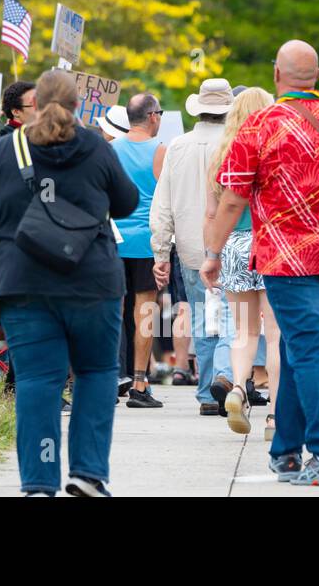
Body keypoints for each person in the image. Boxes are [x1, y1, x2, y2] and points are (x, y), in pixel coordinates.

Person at [206, 40, 319, 487]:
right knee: (298, 349)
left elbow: (231, 201)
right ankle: (285, 451)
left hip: (285, 262)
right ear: (317, 76)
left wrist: (212, 253)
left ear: (276, 75)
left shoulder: (259, 127)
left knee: (306, 352)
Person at [0, 70, 139, 496]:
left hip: (24, 286)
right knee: (96, 372)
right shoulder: (96, 146)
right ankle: (88, 474)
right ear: (79, 105)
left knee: (38, 381)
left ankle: (39, 481)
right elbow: (127, 203)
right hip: (93, 283)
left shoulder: (6, 149)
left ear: (34, 104)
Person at [151, 77, 235, 416]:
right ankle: (226, 377)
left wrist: (160, 253)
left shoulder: (177, 146)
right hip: (232, 242)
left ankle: (205, 392)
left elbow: (163, 205)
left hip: (188, 246)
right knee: (233, 316)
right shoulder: (236, 144)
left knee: (202, 316)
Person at [204, 86, 281, 436]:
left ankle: (237, 387)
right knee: (277, 334)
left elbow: (212, 214)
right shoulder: (275, 150)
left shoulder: (221, 155)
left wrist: (212, 254)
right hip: (271, 243)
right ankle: (275, 416)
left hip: (234, 243)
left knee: (243, 331)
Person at [110, 92, 167, 409]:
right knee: (145, 311)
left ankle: (107, 378)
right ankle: (140, 383)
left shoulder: (110, 149)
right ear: (152, 117)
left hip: (113, 240)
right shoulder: (160, 151)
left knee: (112, 311)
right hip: (148, 240)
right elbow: (164, 201)